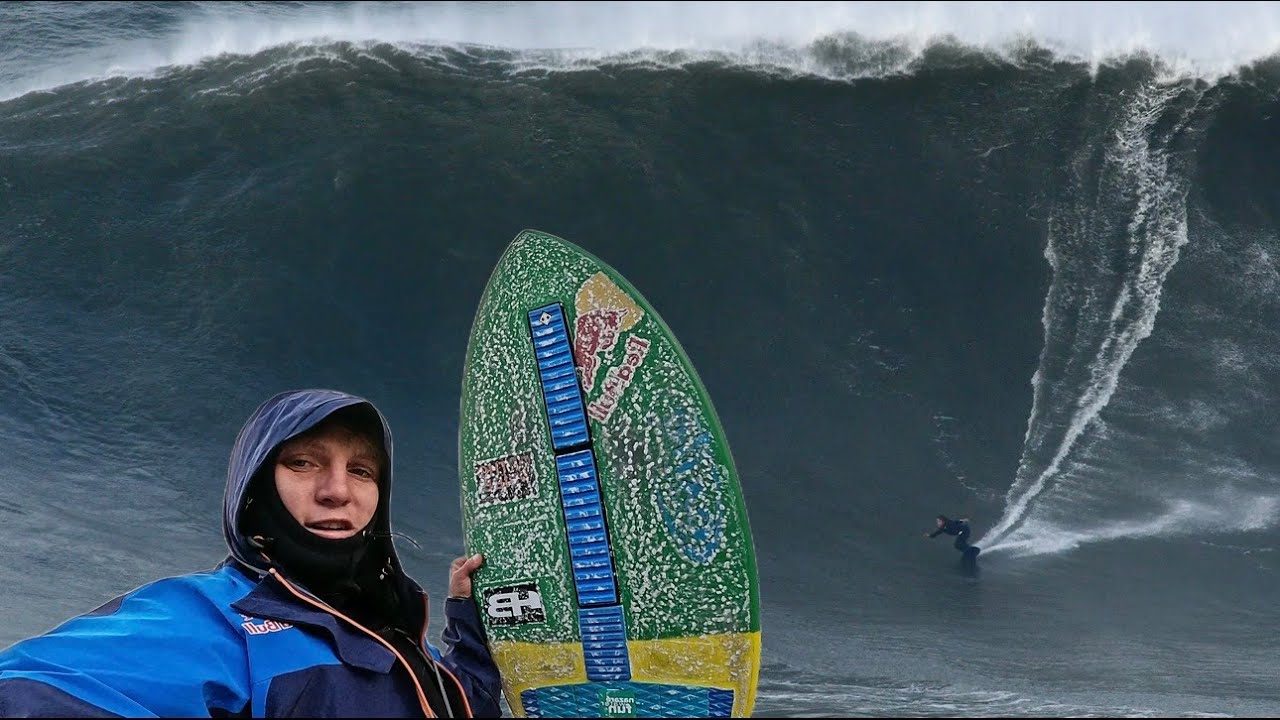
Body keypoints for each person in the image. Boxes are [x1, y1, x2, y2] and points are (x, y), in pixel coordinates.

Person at [0, 388, 503, 717]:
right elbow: (26, 693)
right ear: (256, 489)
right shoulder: (220, 617)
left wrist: (469, 621)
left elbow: (459, 706)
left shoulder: (386, 633)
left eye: (362, 471)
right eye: (304, 463)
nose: (337, 490)